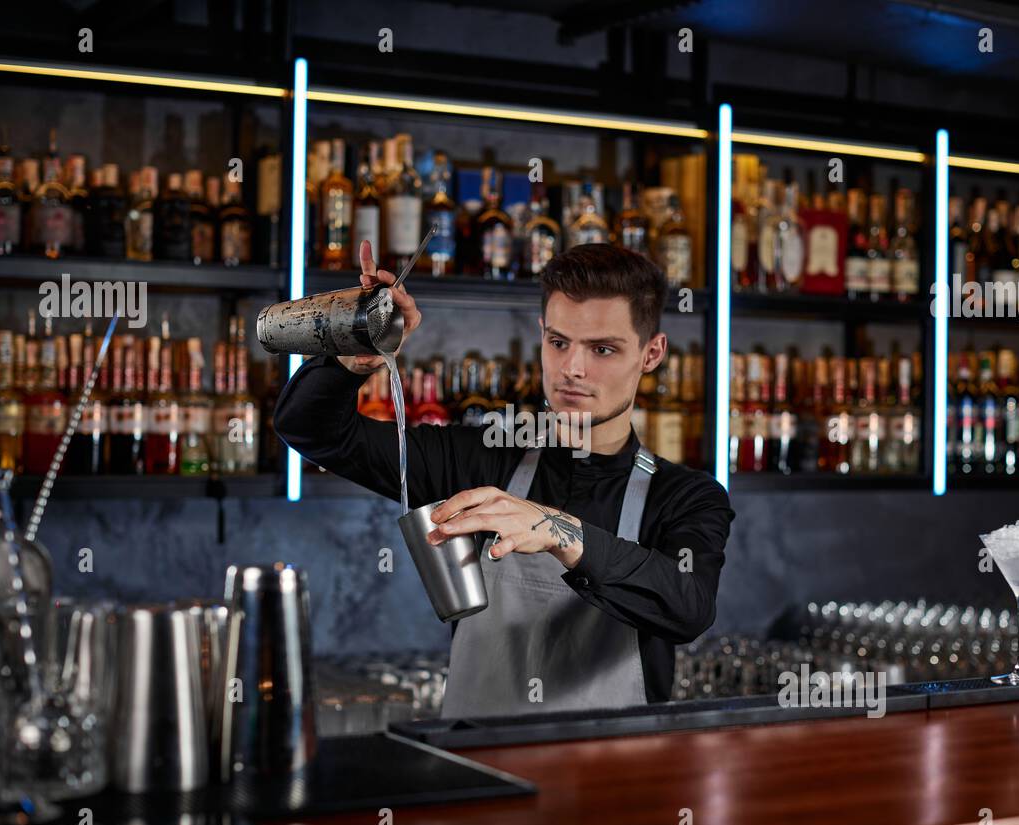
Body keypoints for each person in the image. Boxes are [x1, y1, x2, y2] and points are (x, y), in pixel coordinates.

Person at [274, 240, 734, 719]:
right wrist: (356, 348)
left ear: (651, 353)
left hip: (613, 781)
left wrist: (558, 530)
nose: (573, 369)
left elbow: (689, 607)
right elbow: (311, 430)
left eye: (603, 349)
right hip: (479, 773)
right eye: (559, 342)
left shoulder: (686, 496)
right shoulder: (478, 459)